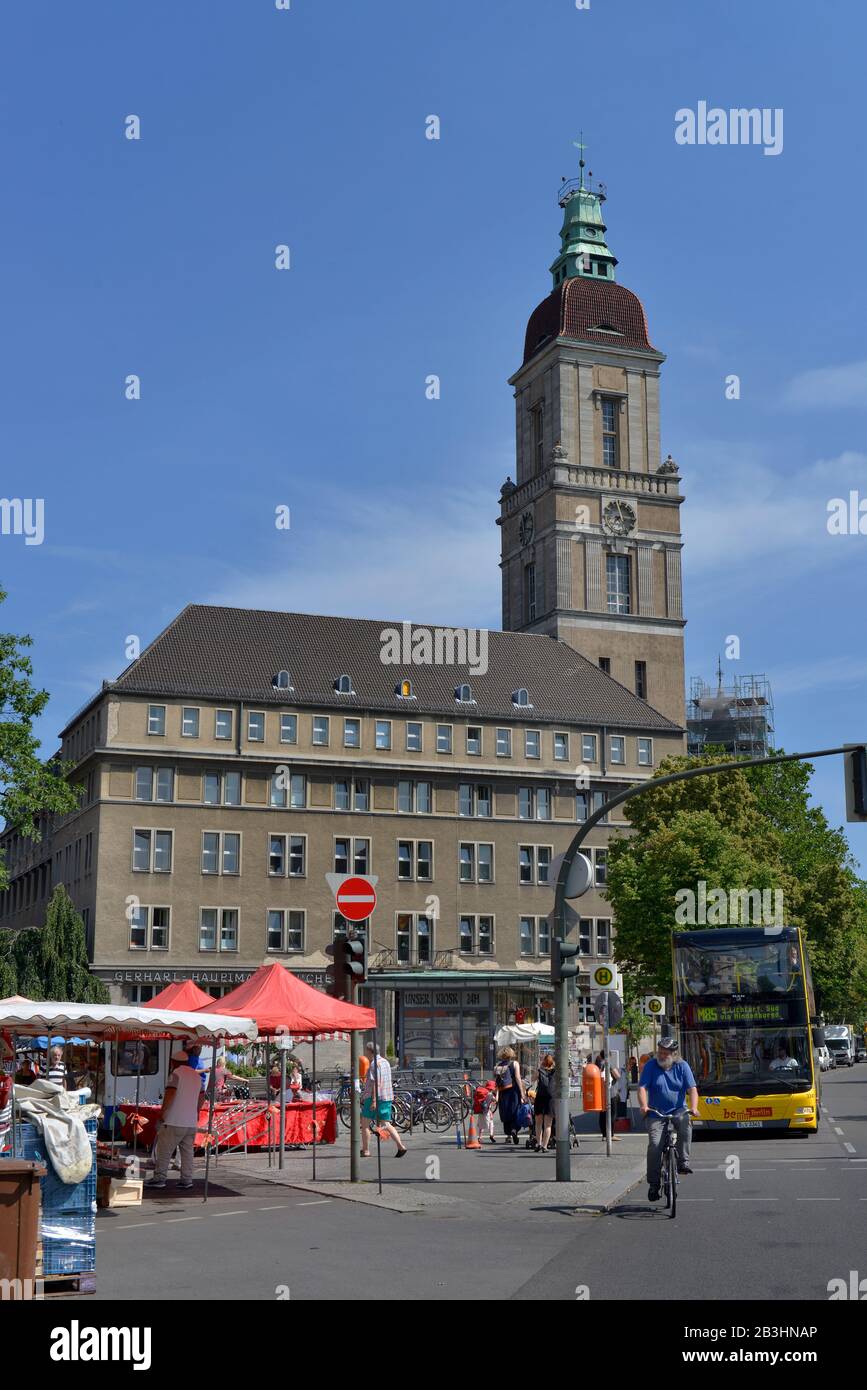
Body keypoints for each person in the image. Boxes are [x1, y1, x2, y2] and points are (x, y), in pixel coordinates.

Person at [637, 1037, 699, 1203]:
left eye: (665, 1053)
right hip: (656, 1112)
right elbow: (642, 1087)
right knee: (655, 1146)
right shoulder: (651, 1065)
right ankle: (654, 1184)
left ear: (674, 1054)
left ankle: (683, 1163)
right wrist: (643, 1105)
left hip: (679, 1109)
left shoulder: (682, 1066)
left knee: (686, 1125)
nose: (662, 1055)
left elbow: (692, 1089)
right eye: (660, 1052)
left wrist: (693, 1107)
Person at [149, 1050, 206, 1190]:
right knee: (187, 1153)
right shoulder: (197, 1077)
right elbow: (202, 1097)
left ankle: (159, 1178)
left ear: (173, 1062)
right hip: (190, 1121)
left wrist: (163, 1112)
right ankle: (186, 1180)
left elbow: (170, 1093)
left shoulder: (175, 1074)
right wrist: (196, 1112)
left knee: (164, 1151)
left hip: (174, 1120)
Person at [360, 1042, 406, 1158]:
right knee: (386, 1123)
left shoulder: (374, 1064)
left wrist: (374, 1100)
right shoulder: (385, 1062)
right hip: (387, 1096)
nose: (365, 1053)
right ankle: (401, 1146)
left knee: (365, 1123)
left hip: (374, 1097)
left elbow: (376, 1082)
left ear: (369, 1051)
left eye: (366, 1051)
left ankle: (366, 1150)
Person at [494, 1046, 526, 1144]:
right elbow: (517, 1078)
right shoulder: (515, 1063)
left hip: (503, 1092)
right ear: (511, 1054)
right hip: (514, 1091)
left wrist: (497, 1095)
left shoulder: (498, 1066)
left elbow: (496, 1082)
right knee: (515, 1110)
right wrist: (522, 1093)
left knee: (505, 1112)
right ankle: (514, 1129)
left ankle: (508, 1135)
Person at [533, 1053, 556, 1153]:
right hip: (550, 1099)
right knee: (548, 1125)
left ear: (543, 1061)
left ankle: (538, 1143)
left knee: (538, 1123)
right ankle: (545, 1146)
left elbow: (532, 1079)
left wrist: (539, 1068)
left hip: (540, 1098)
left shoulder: (539, 1071)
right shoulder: (556, 1071)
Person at [473, 1079, 498, 1143]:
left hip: (480, 1111)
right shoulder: (490, 1095)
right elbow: (496, 1100)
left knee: (481, 1125)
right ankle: (491, 1135)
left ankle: (480, 1137)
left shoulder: (484, 1093)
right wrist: (497, 1092)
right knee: (491, 1123)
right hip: (487, 1112)